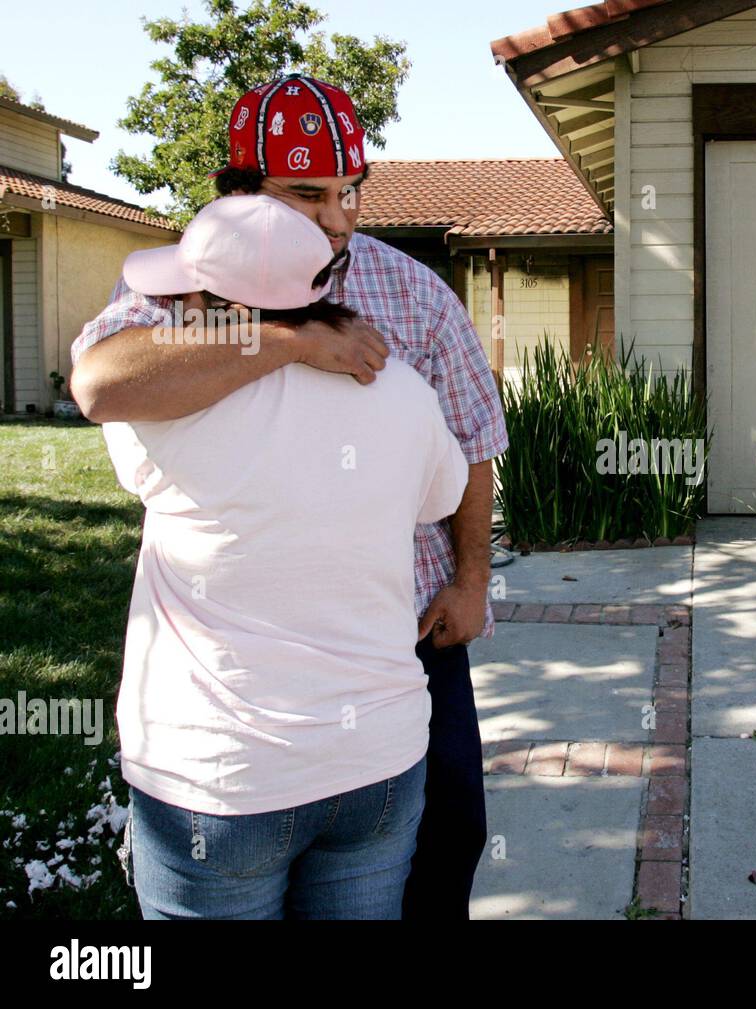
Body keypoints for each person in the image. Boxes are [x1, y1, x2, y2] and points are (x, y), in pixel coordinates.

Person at [70, 74, 508, 919]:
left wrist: (472, 582)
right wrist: (287, 339)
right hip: (249, 675)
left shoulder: (413, 290)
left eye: (350, 191)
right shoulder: (186, 288)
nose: (340, 217)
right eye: (308, 195)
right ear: (238, 195)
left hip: (406, 633)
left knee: (448, 843)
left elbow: (477, 444)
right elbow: (102, 379)